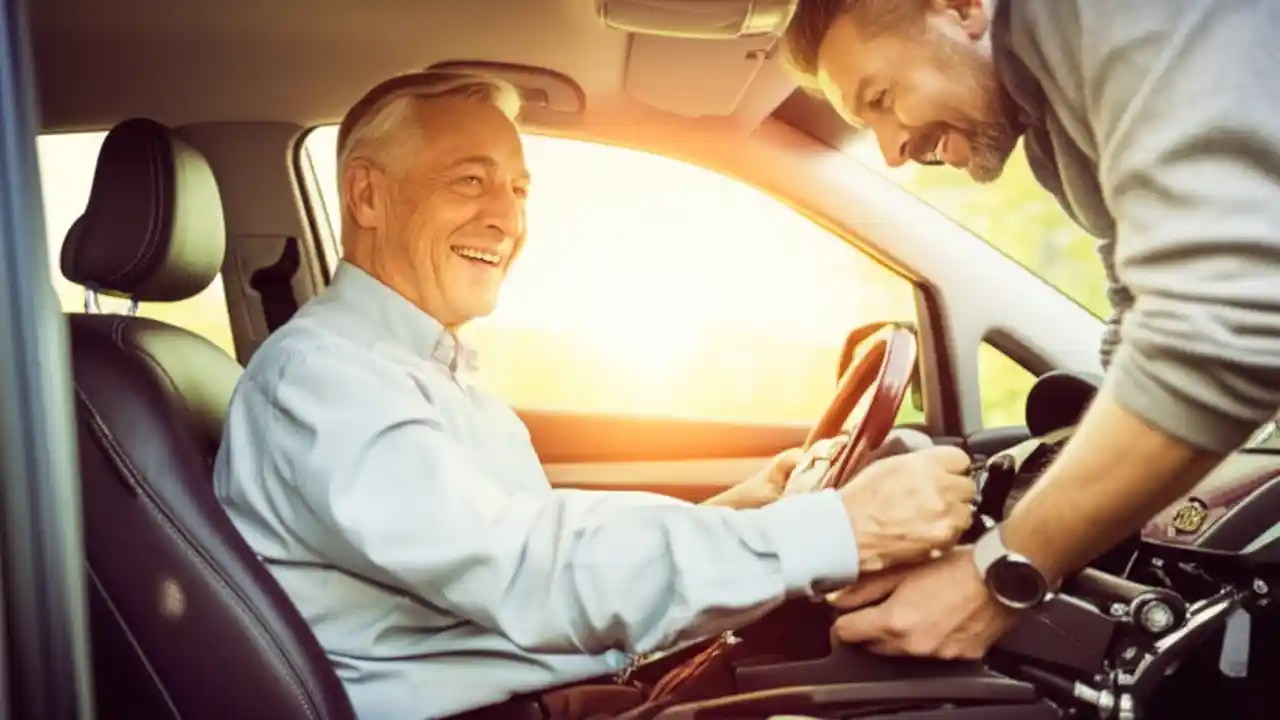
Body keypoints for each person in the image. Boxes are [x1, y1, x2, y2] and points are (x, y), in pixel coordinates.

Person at [213, 69, 977, 719]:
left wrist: (736, 512)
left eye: (517, 189)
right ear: (367, 197)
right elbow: (526, 571)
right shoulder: (323, 378)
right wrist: (839, 529)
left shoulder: (416, 369)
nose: (507, 219)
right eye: (469, 181)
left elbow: (522, 541)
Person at [782, 0, 1280, 659]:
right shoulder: (1047, 120)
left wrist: (1001, 574)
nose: (892, 149)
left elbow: (1220, 330)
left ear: (959, 8)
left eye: (882, 98)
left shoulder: (1117, 19)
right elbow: (1139, 319)